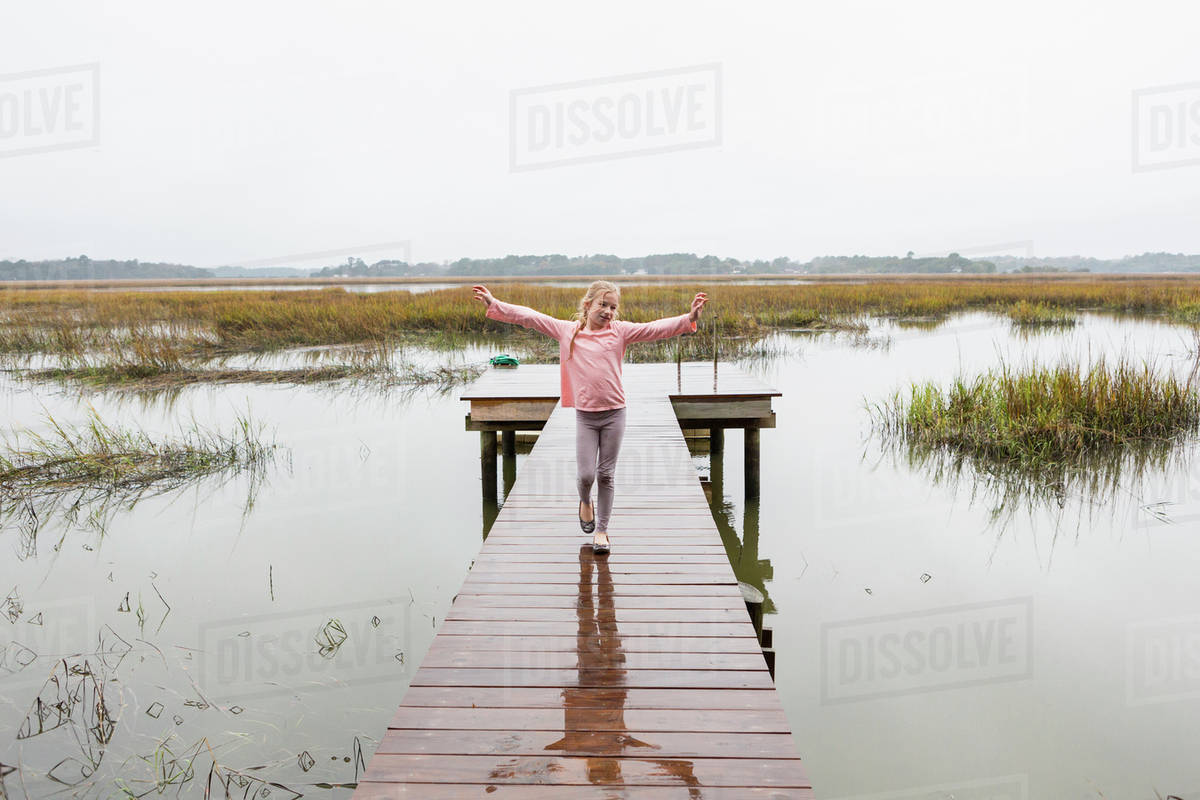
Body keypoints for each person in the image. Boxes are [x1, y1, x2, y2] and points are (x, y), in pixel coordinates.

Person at [472, 281, 707, 554]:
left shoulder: (619, 332)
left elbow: (653, 329)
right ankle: (585, 501)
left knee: (605, 475)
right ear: (588, 305)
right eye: (602, 305)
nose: (608, 311)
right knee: (586, 475)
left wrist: (688, 319)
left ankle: (603, 531)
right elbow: (531, 317)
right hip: (586, 416)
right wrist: (495, 305)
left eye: (613, 307)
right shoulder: (568, 331)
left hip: (615, 413)